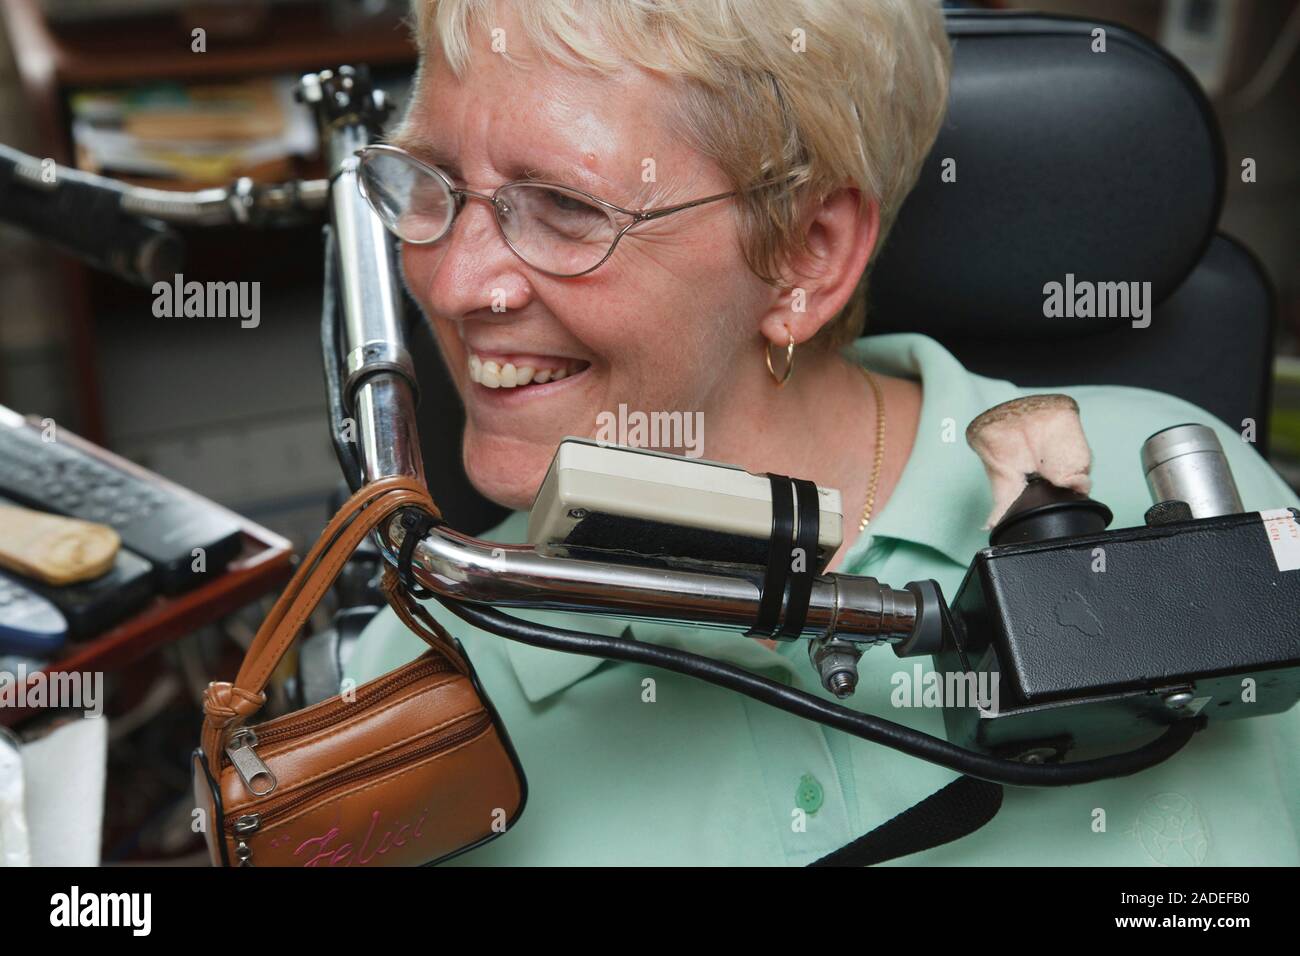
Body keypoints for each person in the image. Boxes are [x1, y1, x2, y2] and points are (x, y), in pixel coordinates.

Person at [347, 0, 1300, 865]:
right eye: (428, 181)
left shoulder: (1173, 480)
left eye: (563, 208)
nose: (457, 284)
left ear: (808, 253)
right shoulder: (421, 663)